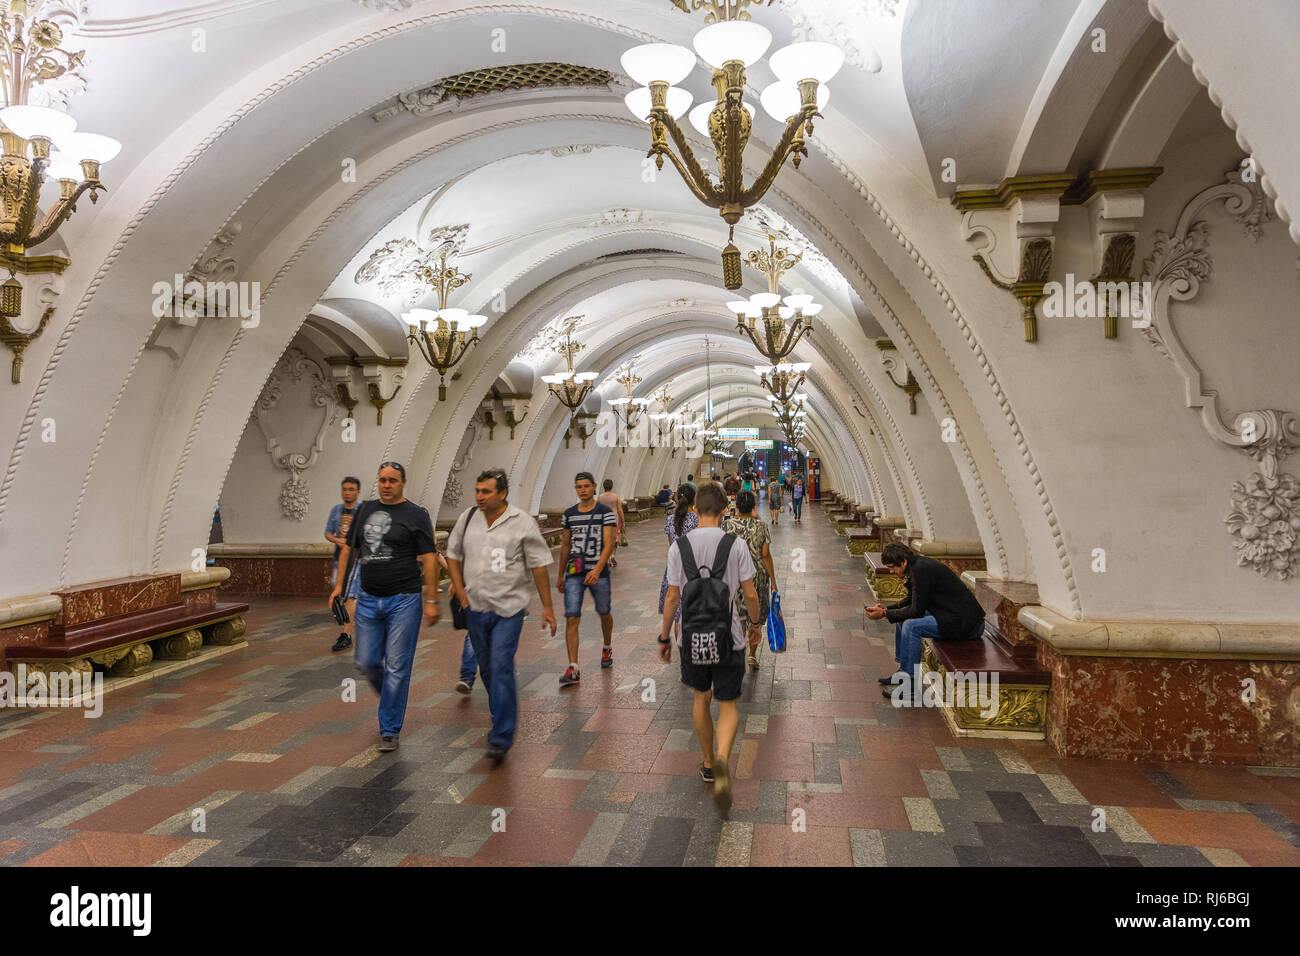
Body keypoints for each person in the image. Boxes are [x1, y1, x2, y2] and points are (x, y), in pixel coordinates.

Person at [658, 482, 759, 814]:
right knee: (727, 704)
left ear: (695, 509)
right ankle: (722, 757)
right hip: (729, 637)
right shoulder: (737, 545)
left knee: (701, 698)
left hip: (692, 638)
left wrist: (664, 637)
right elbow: (751, 593)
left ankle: (705, 762)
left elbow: (672, 596)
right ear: (726, 509)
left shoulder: (679, 547)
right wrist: (755, 625)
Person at [446, 469, 557, 763]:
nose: (479, 496)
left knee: (501, 664)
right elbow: (452, 555)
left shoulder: (521, 523)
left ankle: (501, 736)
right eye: (478, 490)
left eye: (486, 491)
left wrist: (547, 606)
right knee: (487, 669)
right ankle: (500, 715)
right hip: (475, 609)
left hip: (509, 610)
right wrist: (458, 589)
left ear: (502, 493)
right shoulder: (467, 518)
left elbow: (539, 566)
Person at [329, 462, 437, 752]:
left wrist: (431, 600)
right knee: (366, 661)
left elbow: (428, 557)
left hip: (404, 599)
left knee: (397, 666)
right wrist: (339, 587)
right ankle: (390, 698)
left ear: (403, 483)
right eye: (382, 480)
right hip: (367, 598)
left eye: (392, 480)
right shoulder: (364, 510)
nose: (386, 484)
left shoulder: (416, 515)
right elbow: (349, 550)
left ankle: (389, 728)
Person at [865, 542, 985, 701]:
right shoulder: (917, 565)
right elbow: (912, 600)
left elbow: (916, 611)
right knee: (903, 619)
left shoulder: (920, 570)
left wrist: (885, 613)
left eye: (892, 567)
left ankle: (910, 687)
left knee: (911, 625)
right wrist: (888, 609)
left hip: (966, 624)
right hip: (949, 614)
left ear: (904, 562)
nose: (891, 571)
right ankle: (903, 673)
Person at [558, 471, 618, 686]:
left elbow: (608, 543)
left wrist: (597, 570)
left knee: (604, 613)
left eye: (586, 486)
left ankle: (607, 647)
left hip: (598, 572)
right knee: (572, 617)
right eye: (578, 487)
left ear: (594, 487)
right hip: (575, 571)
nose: (582, 490)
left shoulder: (604, 513)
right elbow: (565, 545)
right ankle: (573, 666)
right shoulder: (569, 514)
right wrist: (560, 574)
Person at [724, 490, 776, 670]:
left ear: (736, 506)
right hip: (758, 576)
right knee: (756, 617)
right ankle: (752, 655)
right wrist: (774, 583)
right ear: (753, 507)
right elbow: (766, 555)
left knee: (737, 615)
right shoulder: (761, 526)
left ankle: (738, 651)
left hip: (735, 576)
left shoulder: (727, 526)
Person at [658, 482, 698, 646]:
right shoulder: (697, 519)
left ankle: (682, 649)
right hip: (693, 570)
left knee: (678, 615)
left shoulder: (670, 520)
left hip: (674, 570)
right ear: (693, 500)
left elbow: (671, 545)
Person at [325, 476, 362, 652]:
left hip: (356, 560)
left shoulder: (362, 511)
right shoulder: (336, 511)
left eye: (351, 489)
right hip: (340, 559)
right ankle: (352, 626)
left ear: (358, 492)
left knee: (351, 596)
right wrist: (340, 541)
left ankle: (346, 634)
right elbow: (328, 533)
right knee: (339, 596)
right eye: (345, 489)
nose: (347, 492)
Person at [597, 478, 626, 568]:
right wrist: (623, 521)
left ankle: (608, 559)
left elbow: (597, 509)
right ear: (612, 486)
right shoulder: (616, 497)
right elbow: (620, 510)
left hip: (604, 520)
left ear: (604, 486)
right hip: (614, 520)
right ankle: (612, 556)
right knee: (614, 539)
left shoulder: (600, 497)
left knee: (606, 539)